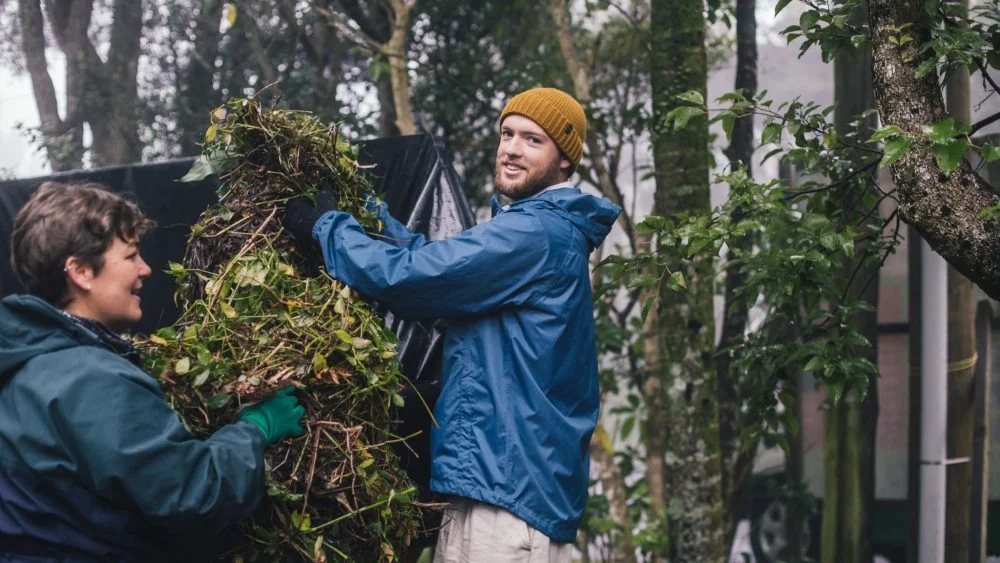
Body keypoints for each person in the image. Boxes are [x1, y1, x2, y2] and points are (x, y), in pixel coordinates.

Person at [284, 87, 621, 561]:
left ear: (565, 160)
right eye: (507, 134)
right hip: (493, 486)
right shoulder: (534, 229)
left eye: (532, 139)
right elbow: (441, 267)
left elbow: (418, 279)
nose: (511, 149)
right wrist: (372, 218)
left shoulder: (537, 233)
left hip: (508, 500)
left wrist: (328, 229)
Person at [0, 181, 306, 562]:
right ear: (81, 272)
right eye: (130, 257)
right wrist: (255, 430)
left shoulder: (27, 363)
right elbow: (191, 495)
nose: (145, 270)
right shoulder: (88, 379)